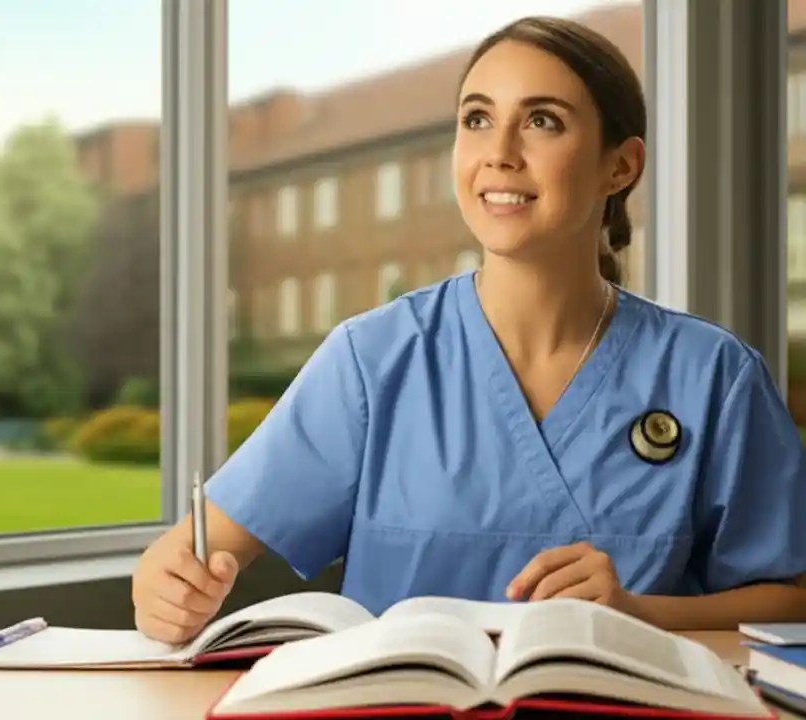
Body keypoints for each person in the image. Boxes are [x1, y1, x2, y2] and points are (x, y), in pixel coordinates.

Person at [131, 15, 806, 643]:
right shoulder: (372, 361)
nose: (500, 153)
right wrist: (164, 589)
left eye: (542, 121)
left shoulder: (712, 376)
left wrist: (635, 612)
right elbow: (192, 552)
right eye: (477, 119)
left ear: (620, 165)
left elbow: (792, 597)